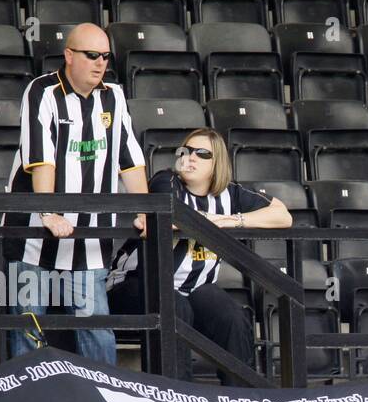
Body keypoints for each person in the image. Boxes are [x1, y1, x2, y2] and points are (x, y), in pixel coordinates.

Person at [4, 23, 149, 364]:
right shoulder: (41, 91)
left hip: (89, 234)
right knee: (29, 325)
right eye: (91, 55)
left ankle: (106, 396)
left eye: (105, 56)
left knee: (96, 327)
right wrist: (48, 212)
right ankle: (27, 399)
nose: (100, 63)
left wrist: (145, 210)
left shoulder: (113, 96)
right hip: (33, 232)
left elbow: (129, 158)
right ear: (69, 55)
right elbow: (41, 158)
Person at [107, 128, 292, 382]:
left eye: (202, 153)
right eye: (186, 151)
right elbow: (170, 215)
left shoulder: (230, 194)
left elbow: (282, 215)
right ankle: (178, 399)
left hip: (193, 288)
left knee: (233, 319)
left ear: (217, 163)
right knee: (175, 307)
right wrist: (211, 221)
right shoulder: (166, 180)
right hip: (134, 284)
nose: (190, 157)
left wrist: (230, 221)